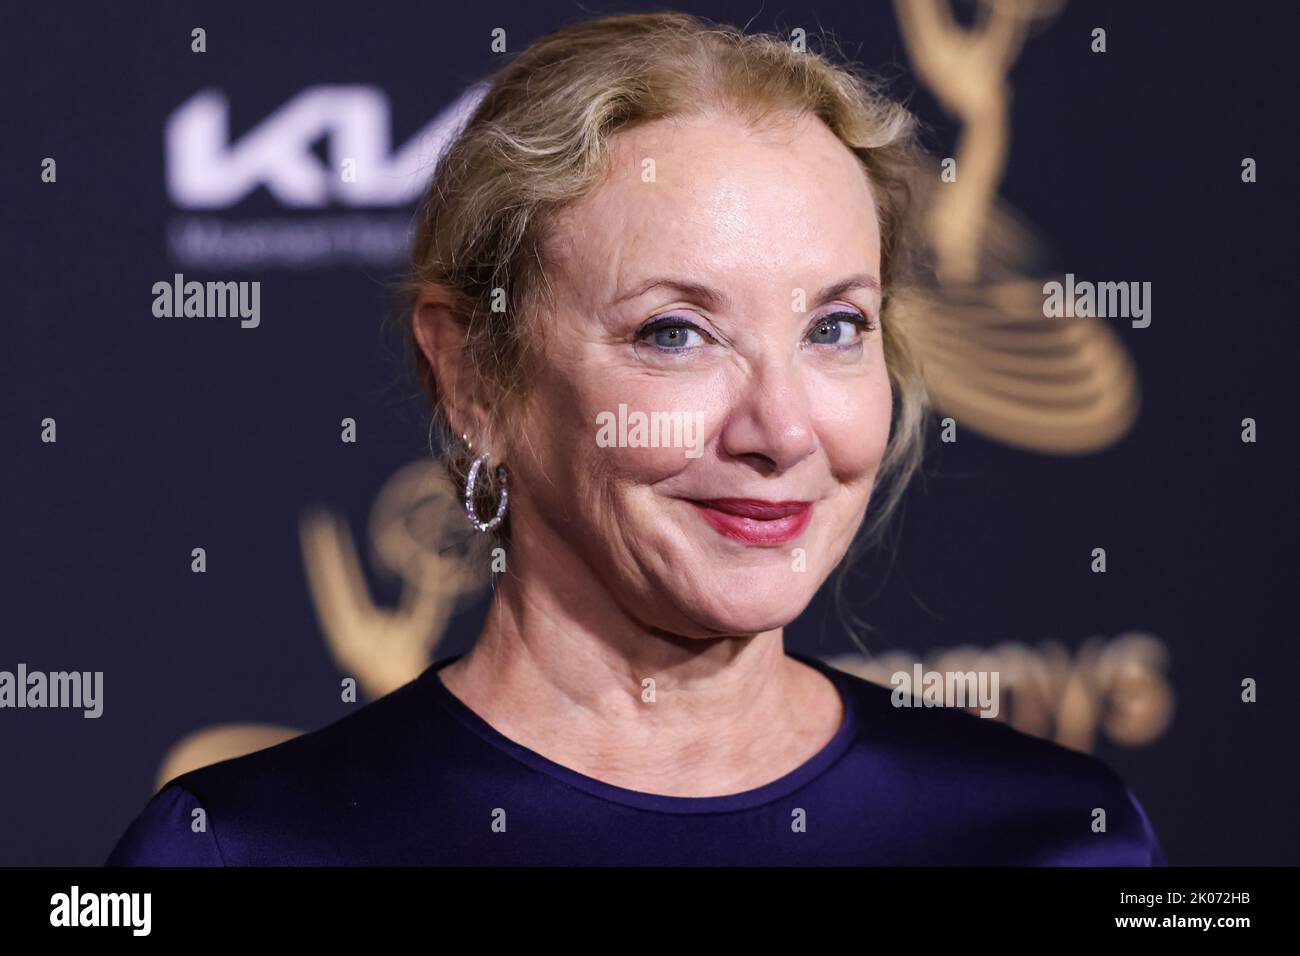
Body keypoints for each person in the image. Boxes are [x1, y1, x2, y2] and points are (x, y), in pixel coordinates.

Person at [106, 10, 1165, 866]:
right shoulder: (242, 850)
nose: (782, 427)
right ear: (474, 373)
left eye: (835, 328)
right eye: (675, 332)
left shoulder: (1051, 836)